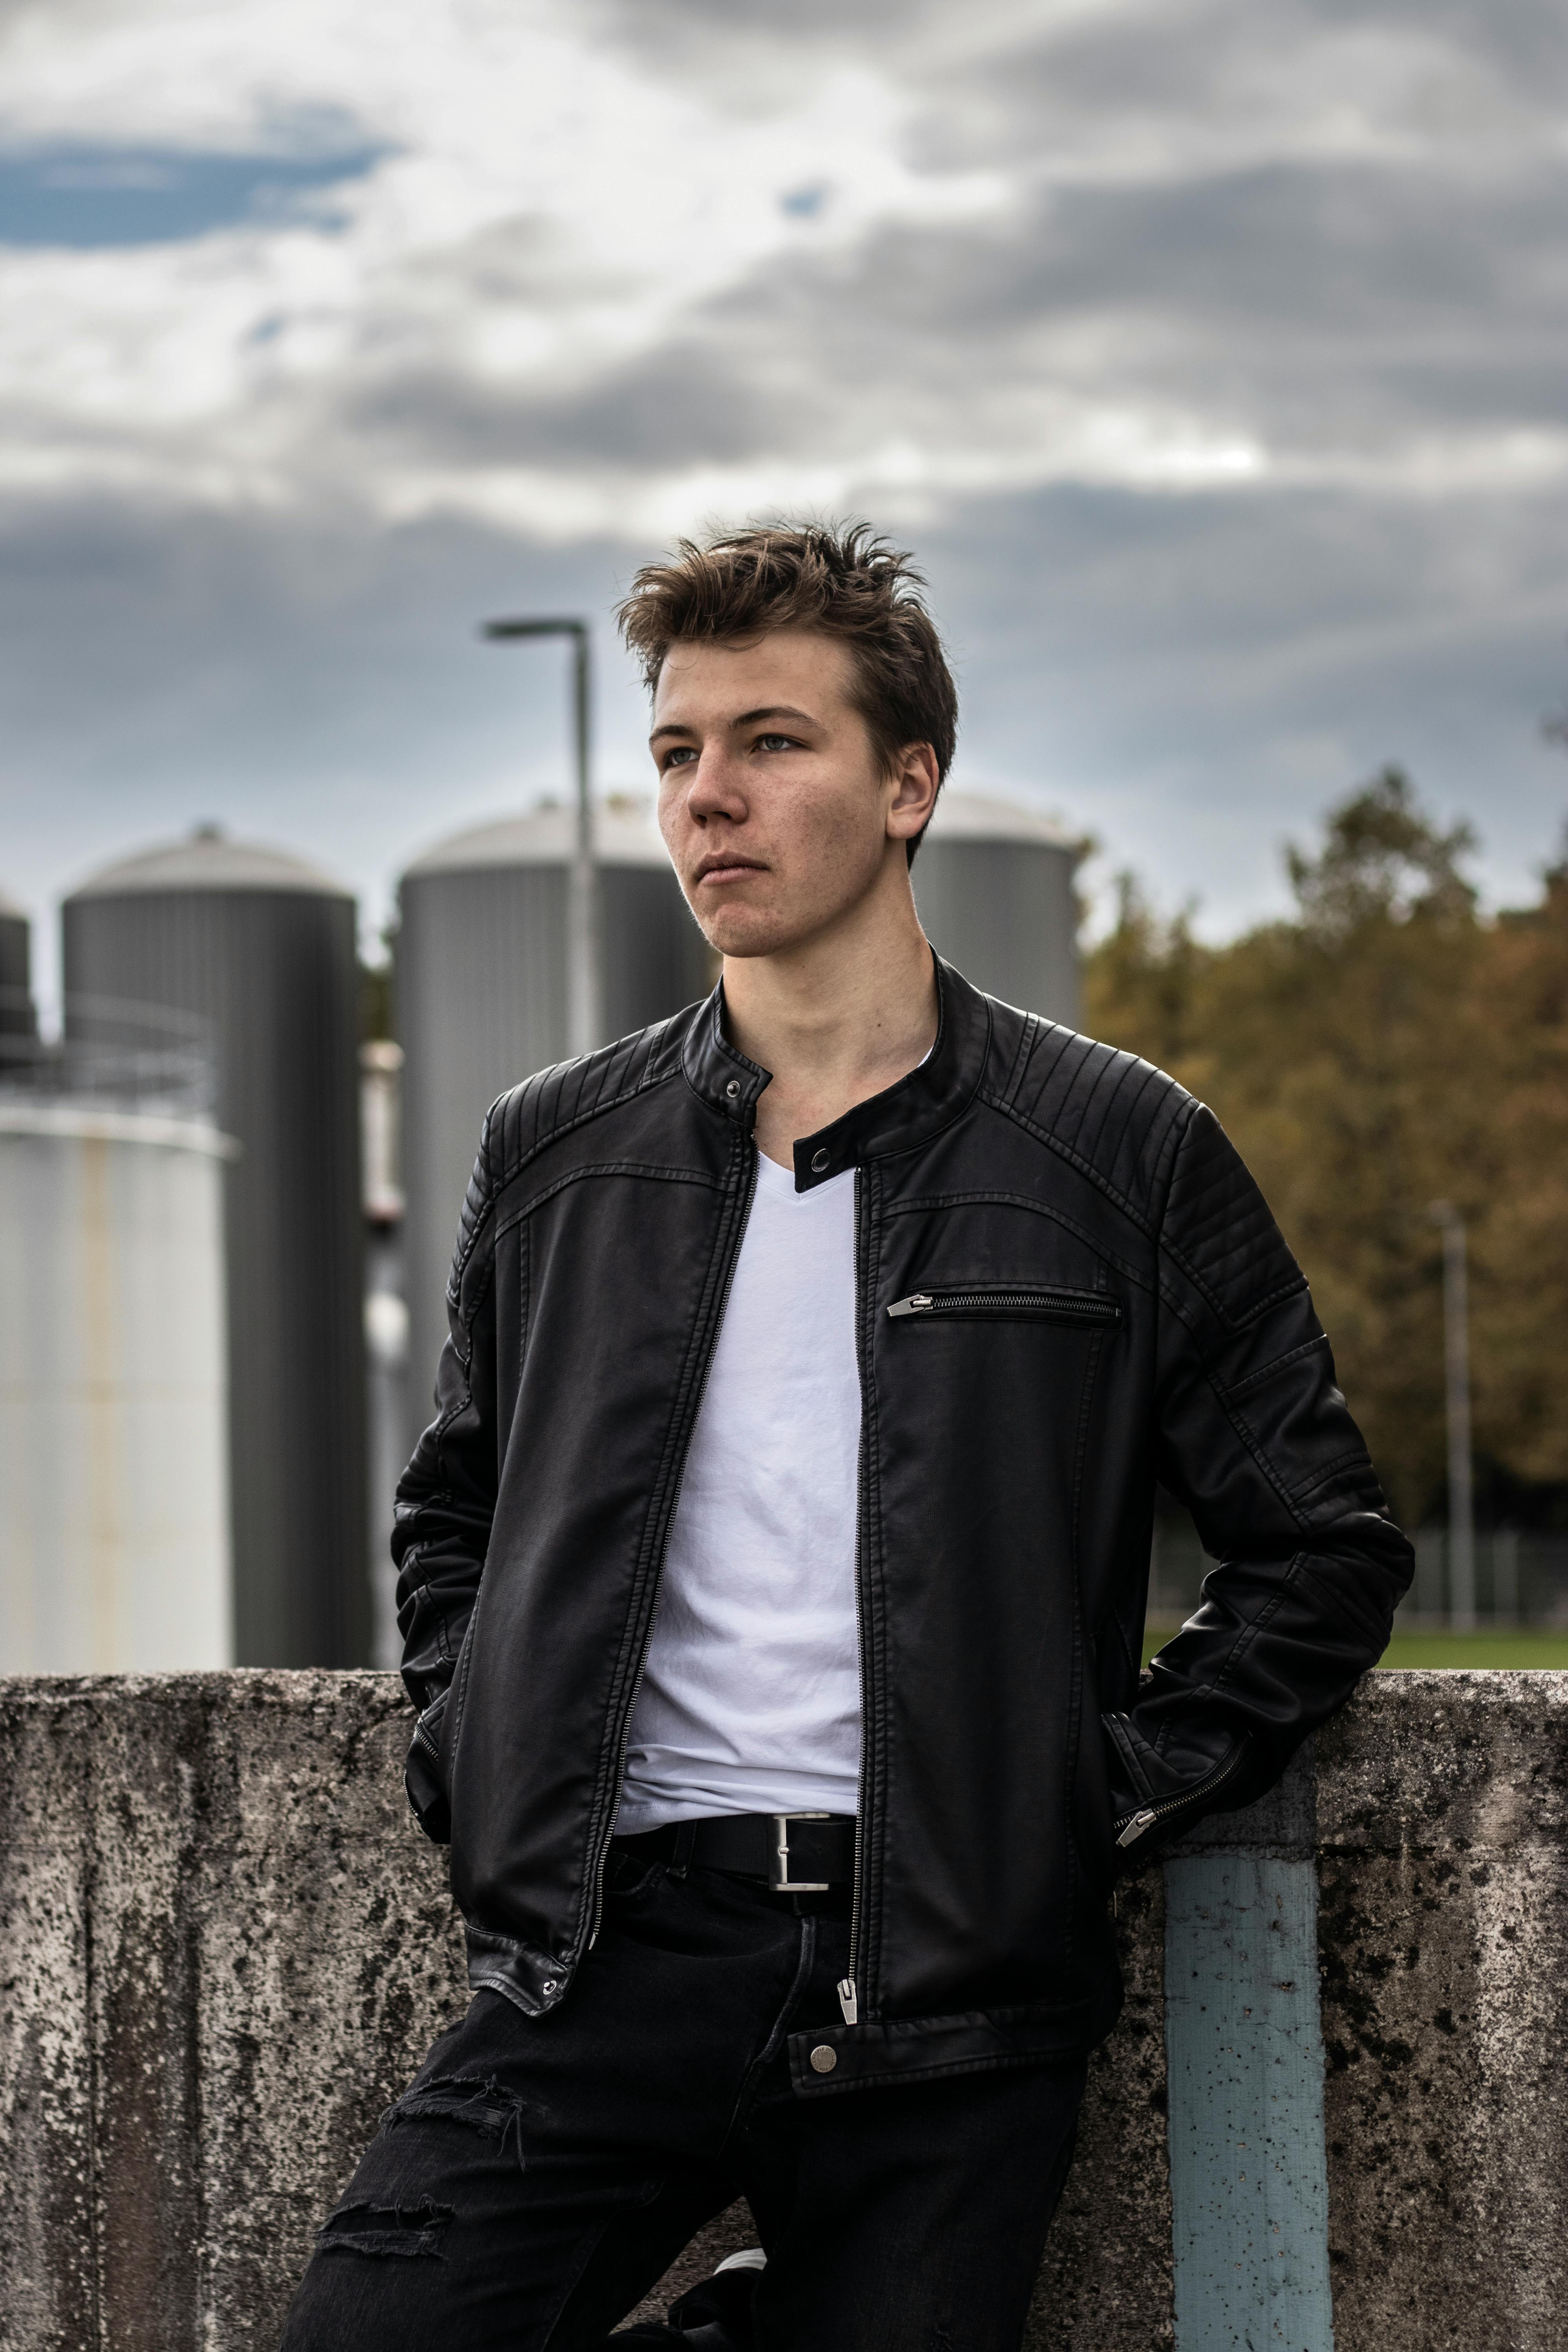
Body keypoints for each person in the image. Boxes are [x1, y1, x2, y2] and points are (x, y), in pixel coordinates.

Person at [280, 522, 1411, 2352]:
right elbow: (455, 1514)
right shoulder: (555, 1153)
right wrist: (468, 1743)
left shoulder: (1115, 1151)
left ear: (908, 784)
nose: (707, 797)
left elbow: (1320, 1546)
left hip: (951, 1987)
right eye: (674, 752)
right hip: (606, 1954)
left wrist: (1084, 1791)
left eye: (770, 744)